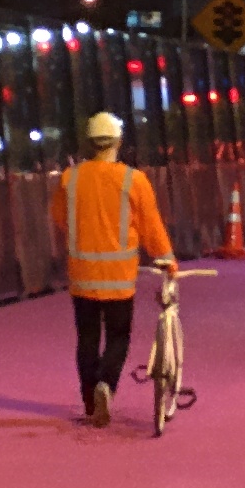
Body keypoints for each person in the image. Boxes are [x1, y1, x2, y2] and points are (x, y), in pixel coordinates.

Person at [58, 108, 173, 425]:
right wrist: (166, 258)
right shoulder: (133, 180)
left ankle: (89, 401)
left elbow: (59, 218)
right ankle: (107, 384)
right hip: (119, 278)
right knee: (118, 336)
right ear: (118, 142)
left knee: (87, 339)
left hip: (82, 276)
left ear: (89, 143)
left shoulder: (71, 178)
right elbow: (151, 227)